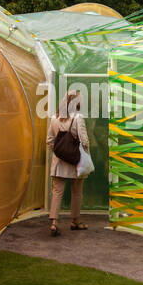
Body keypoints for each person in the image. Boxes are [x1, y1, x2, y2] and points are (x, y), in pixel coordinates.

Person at [47, 90, 90, 236]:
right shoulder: (78, 117)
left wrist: (61, 153)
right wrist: (80, 156)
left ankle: (54, 223)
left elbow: (49, 140)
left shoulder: (54, 117)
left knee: (57, 192)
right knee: (77, 191)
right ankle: (75, 221)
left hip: (58, 162)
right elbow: (84, 141)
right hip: (75, 162)